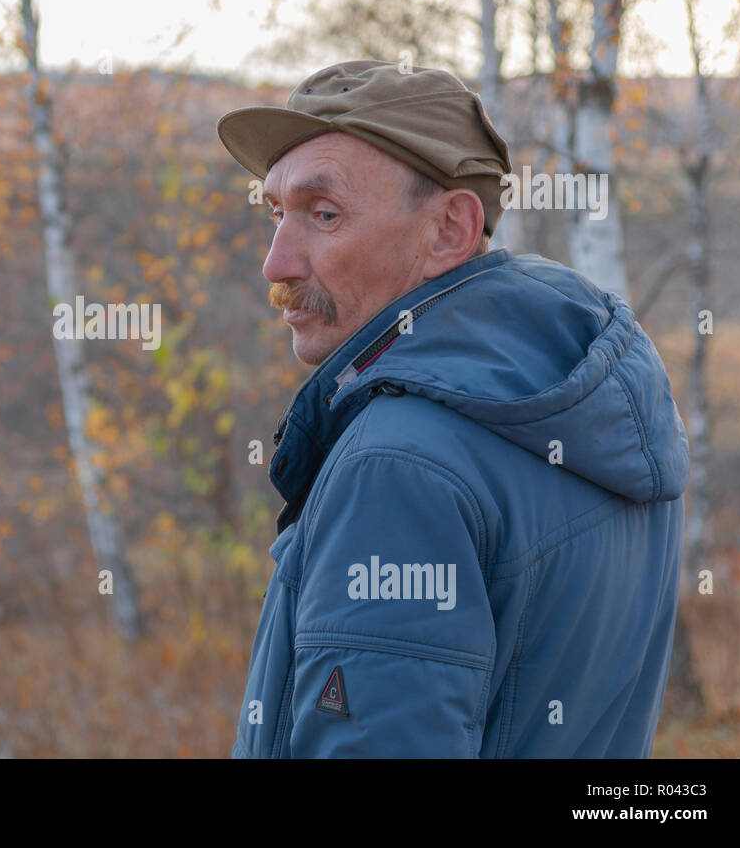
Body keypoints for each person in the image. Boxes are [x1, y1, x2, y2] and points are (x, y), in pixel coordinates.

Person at [217, 59, 689, 757]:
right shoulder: (592, 410)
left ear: (448, 231)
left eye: (325, 214)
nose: (277, 263)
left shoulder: (398, 465)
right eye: (275, 214)